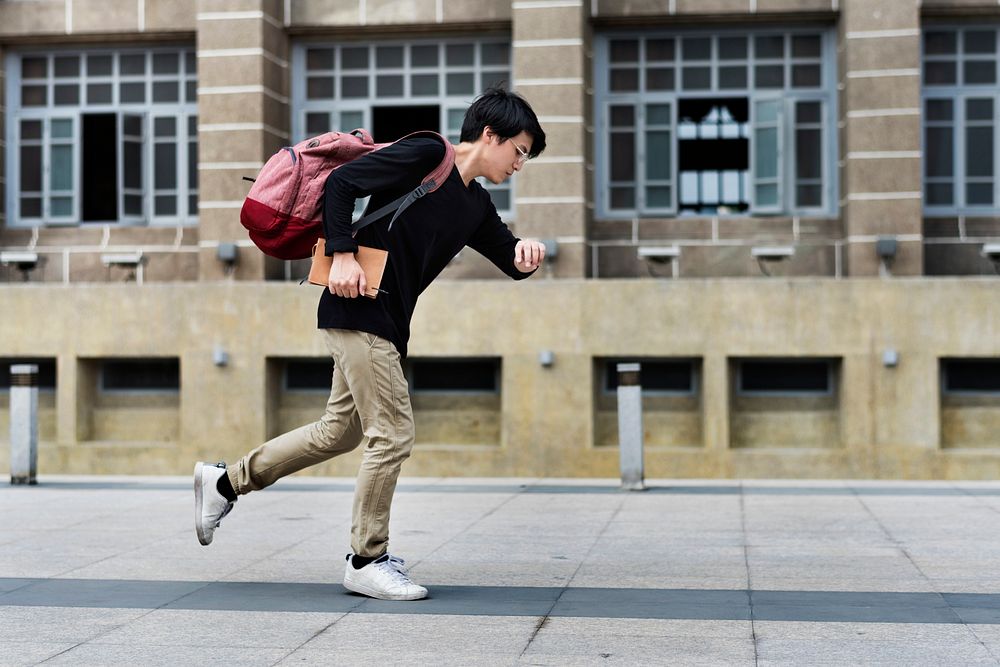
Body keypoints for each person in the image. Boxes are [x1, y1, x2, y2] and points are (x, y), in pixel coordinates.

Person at [194, 87, 547, 601]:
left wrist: (528, 252)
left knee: (337, 432)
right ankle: (367, 558)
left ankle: (225, 482)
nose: (519, 163)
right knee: (393, 433)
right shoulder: (431, 156)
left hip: (382, 320)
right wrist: (341, 253)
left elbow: (511, 258)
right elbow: (342, 183)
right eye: (518, 150)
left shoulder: (474, 204)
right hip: (360, 305)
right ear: (489, 135)